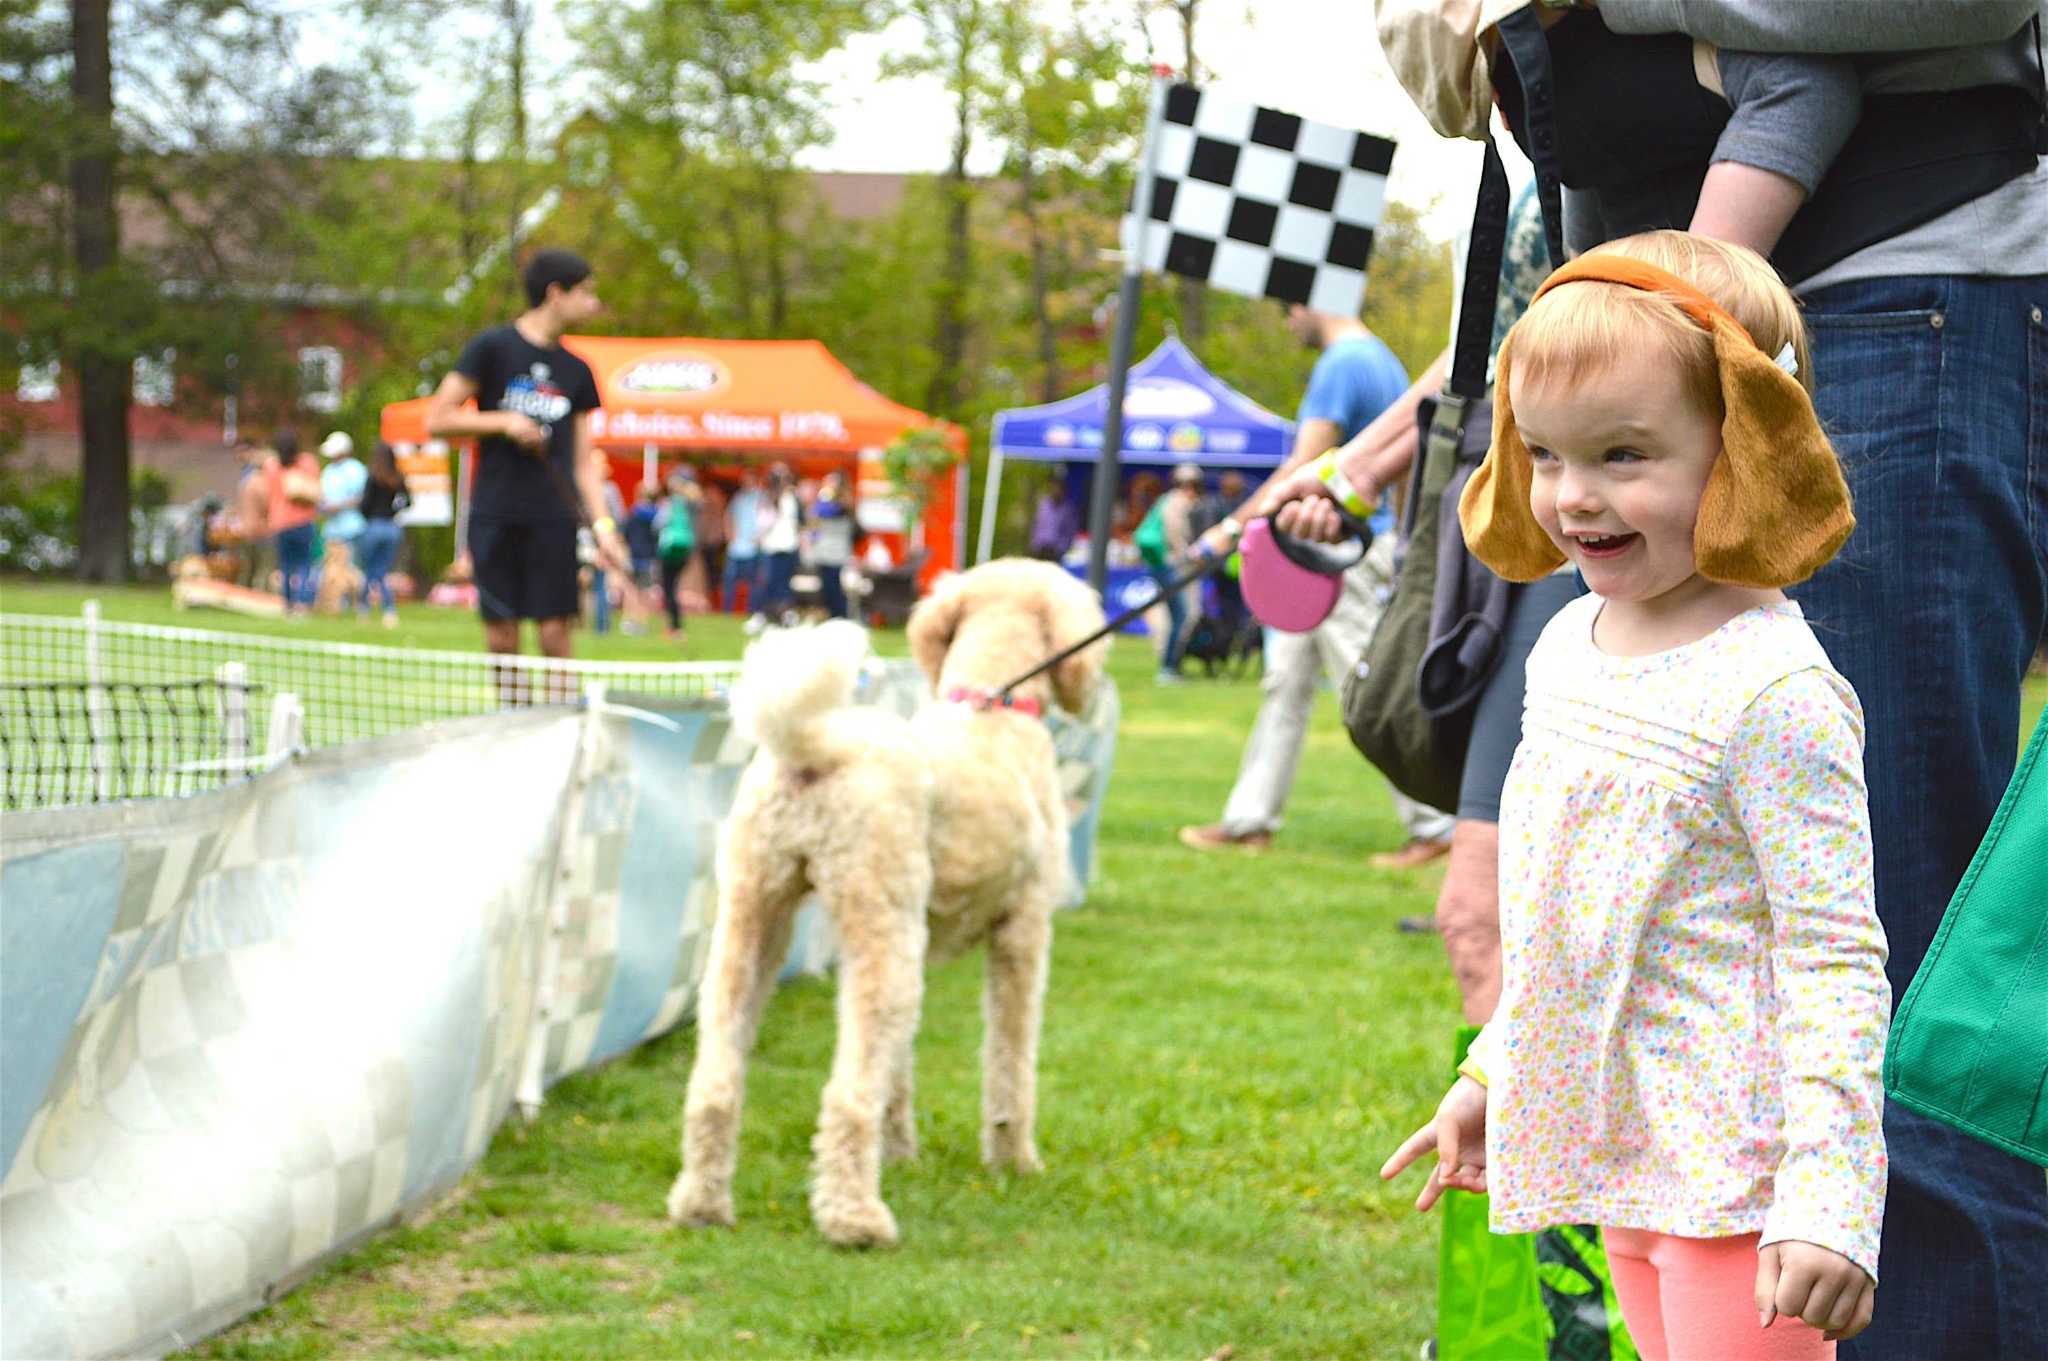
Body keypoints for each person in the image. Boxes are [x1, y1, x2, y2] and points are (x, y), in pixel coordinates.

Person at [1383, 231, 1890, 1359]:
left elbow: (1832, 959)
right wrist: (1493, 1072)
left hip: (1740, 1187)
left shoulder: (1775, 691)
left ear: (1744, 446)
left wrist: (1826, 1197)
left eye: (1622, 454)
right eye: (1547, 454)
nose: (1572, 498)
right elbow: (1579, 916)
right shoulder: (1567, 644)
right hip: (1627, 1157)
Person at [1178, 304, 1455, 859]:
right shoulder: (1384, 363)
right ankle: (1249, 820)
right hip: (1336, 546)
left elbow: (1303, 467)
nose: (1288, 324)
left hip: (1334, 550)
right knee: (1285, 683)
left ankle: (1436, 825)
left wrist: (1227, 531)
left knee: (1367, 677)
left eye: (1288, 311)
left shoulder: (1342, 363)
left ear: (1312, 301)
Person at [423, 248, 627, 678]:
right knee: (503, 640)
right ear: (556, 293)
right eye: (586, 292)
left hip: (552, 516)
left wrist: (605, 528)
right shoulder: (491, 348)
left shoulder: (578, 370)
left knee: (555, 634)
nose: (593, 303)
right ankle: (512, 726)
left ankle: (563, 733)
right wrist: (503, 422)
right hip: (496, 513)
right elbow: (437, 418)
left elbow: (584, 461)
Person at [263, 430, 321, 616]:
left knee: (286, 565)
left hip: (280, 523)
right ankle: (302, 604)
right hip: (303, 521)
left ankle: (287, 604)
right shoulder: (307, 463)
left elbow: (267, 494)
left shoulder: (271, 467)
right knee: (304, 563)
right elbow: (317, 488)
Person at [355, 440, 409, 628]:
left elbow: (364, 505)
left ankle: (380, 608)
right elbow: (407, 502)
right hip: (392, 528)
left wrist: (369, 515)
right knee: (380, 569)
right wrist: (393, 512)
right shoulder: (398, 478)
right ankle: (365, 607)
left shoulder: (373, 477)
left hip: (374, 526)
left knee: (373, 569)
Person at [317, 431, 369, 617]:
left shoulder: (356, 469)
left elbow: (361, 497)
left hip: (352, 528)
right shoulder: (328, 471)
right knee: (332, 572)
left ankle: (360, 604)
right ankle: (337, 605)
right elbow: (321, 496)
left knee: (353, 570)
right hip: (332, 530)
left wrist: (339, 506)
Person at [751, 463, 802, 628]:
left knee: (784, 584)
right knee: (768, 583)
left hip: (788, 546)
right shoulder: (767, 497)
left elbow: (799, 522)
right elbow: (763, 522)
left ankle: (785, 614)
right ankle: (764, 614)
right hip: (771, 547)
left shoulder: (792, 498)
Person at [654, 471, 700, 641]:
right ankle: (676, 626)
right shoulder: (692, 503)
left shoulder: (671, 503)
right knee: (674, 588)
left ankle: (675, 628)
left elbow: (658, 524)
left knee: (669, 590)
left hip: (670, 549)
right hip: (685, 550)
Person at [806, 470, 855, 620]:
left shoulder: (842, 502)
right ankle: (832, 615)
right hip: (824, 551)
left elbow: (822, 512)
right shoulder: (826, 499)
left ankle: (840, 616)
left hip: (835, 552)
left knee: (834, 587)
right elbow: (815, 518)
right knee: (827, 587)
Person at [624, 479, 662, 635]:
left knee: (632, 589)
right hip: (648, 557)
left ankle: (630, 621)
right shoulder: (657, 515)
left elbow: (626, 534)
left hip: (633, 555)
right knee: (645, 591)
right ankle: (642, 622)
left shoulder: (633, 513)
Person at [723, 470, 763, 615]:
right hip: (736, 548)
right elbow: (728, 516)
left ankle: (751, 611)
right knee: (730, 583)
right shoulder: (738, 498)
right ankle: (727, 612)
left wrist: (760, 537)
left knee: (753, 584)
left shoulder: (761, 497)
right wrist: (729, 535)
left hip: (752, 548)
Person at [1028, 474, 1080, 561]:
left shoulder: (1068, 509)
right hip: (1039, 549)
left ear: (1063, 490)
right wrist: (1033, 544)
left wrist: (1061, 550)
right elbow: (1036, 525)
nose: (1055, 491)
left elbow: (1070, 532)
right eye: (1053, 487)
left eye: (1058, 488)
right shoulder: (1043, 504)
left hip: (1056, 552)